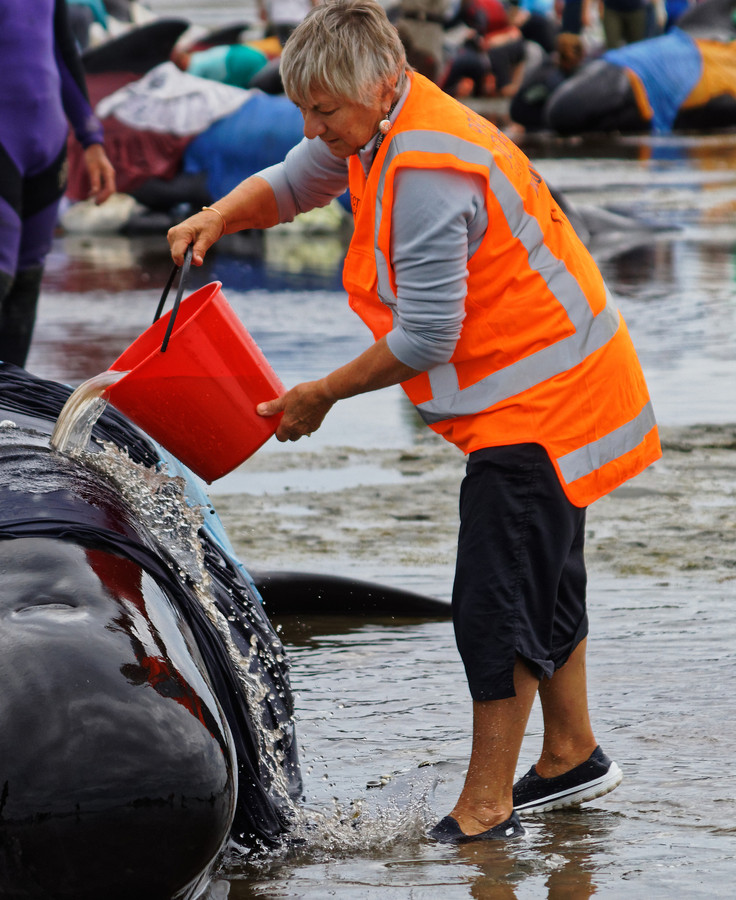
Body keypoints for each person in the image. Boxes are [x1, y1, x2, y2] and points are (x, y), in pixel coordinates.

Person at [166, 0, 659, 842]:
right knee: (546, 579)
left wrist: (319, 393)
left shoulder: (428, 169)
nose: (314, 128)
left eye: (325, 111)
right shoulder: (372, 129)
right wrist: (221, 214)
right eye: (304, 110)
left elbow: (426, 337)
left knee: (495, 599)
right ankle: (572, 755)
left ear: (383, 83)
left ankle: (486, 806)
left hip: (546, 400)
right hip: (555, 386)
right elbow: (293, 181)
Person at [0, 0, 116, 369]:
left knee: (28, 276)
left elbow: (64, 53)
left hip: (48, 143)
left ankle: (11, 393)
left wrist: (92, 139)